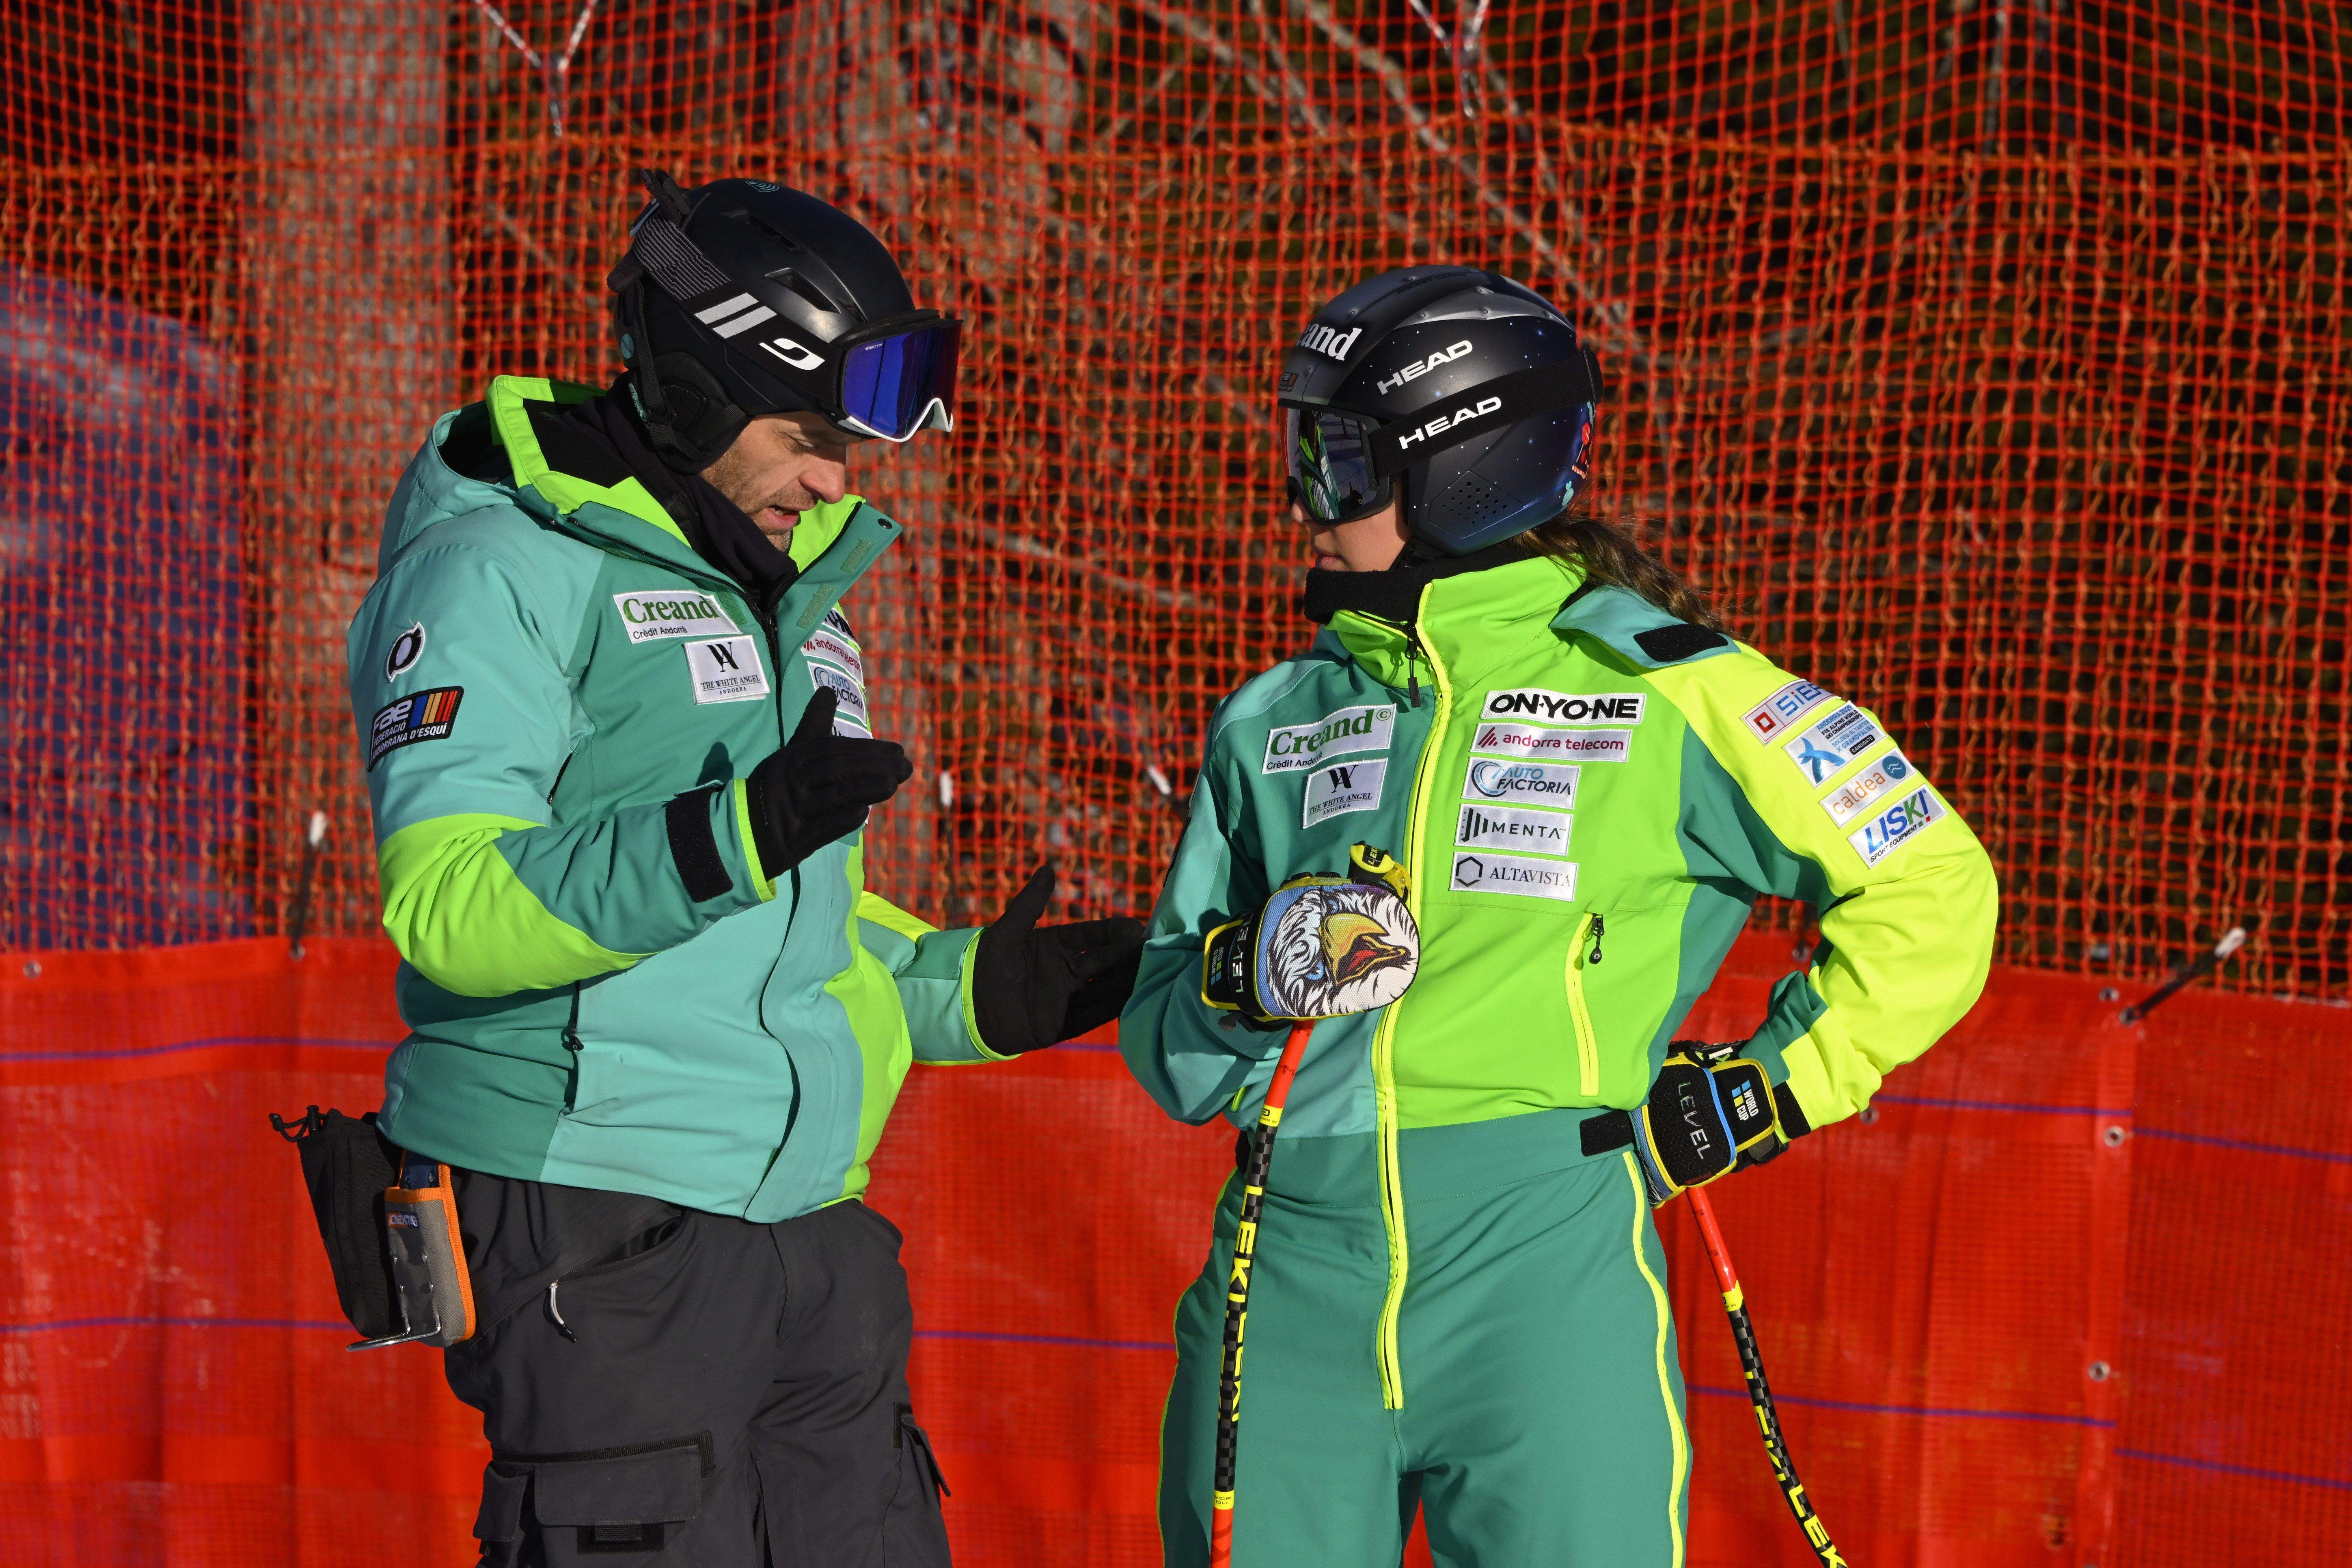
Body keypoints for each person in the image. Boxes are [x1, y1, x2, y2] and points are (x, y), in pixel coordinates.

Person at [1120, 265, 1999, 1567]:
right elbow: (1171, 1057)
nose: (1308, 502)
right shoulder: (1279, 716)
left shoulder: (1667, 687)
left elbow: (1933, 889)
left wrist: (1771, 1087)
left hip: (1545, 1273)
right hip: (1286, 1275)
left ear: (1462, 470)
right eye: (1310, 459)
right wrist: (1243, 977)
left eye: (1343, 465)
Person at [346, 169, 1143, 1568]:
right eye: (807, 434)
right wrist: (734, 833)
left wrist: (974, 991)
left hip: (808, 1221)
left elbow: (782, 927)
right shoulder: (498, 565)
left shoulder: (783, 580)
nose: (837, 476)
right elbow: (451, 909)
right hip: (602, 1218)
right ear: (703, 389)